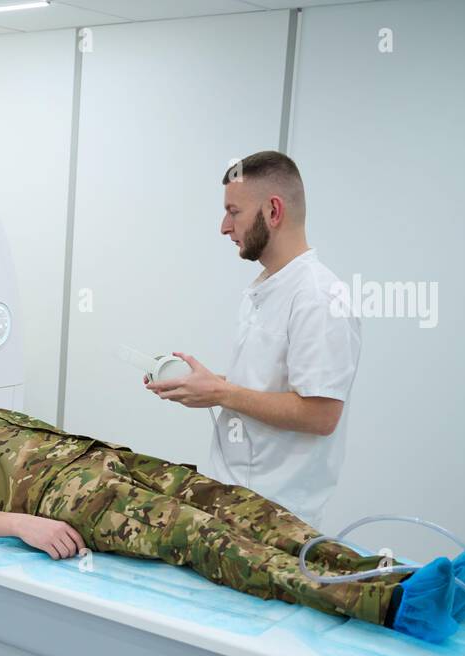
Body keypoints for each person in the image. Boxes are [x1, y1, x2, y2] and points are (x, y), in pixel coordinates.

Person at [0, 398, 465, 645]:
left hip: (107, 463)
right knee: (208, 540)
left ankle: (402, 572)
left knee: (244, 508)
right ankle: (394, 606)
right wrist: (18, 524)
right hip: (74, 501)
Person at [149, 150, 357, 528]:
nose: (224, 227)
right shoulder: (265, 289)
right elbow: (267, 390)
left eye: (234, 212)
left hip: (278, 517)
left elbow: (322, 414)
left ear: (273, 211)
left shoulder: (320, 297)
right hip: (233, 498)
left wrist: (222, 394)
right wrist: (205, 388)